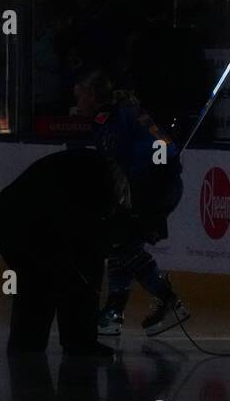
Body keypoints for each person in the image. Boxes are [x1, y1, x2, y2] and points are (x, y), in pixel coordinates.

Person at [69, 72, 189, 338]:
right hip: (160, 183)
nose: (76, 99)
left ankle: (167, 299)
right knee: (121, 242)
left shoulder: (109, 121)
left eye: (80, 93)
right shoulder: (123, 111)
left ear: (92, 95)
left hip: (152, 186)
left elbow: (117, 167)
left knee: (122, 243)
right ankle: (114, 311)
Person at [0, 144, 132, 356]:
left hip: (14, 216)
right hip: (24, 221)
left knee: (48, 281)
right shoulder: (108, 184)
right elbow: (85, 248)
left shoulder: (102, 175)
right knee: (43, 283)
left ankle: (38, 344)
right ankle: (43, 344)